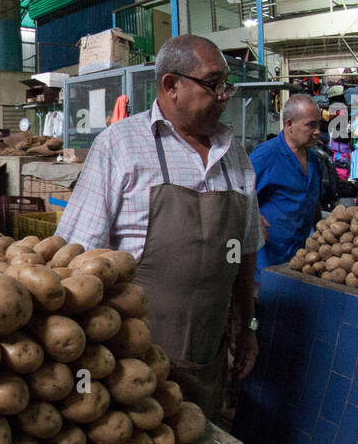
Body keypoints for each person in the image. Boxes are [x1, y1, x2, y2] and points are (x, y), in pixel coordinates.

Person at [56, 34, 262, 421]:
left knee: (199, 441)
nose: (224, 95)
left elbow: (245, 249)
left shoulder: (233, 152)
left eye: (226, 85)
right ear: (172, 86)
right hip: (131, 364)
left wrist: (248, 323)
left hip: (207, 357)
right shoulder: (120, 145)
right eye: (213, 83)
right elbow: (76, 260)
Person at [250, 95, 324, 281]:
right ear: (289, 124)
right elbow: (239, 200)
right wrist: (252, 216)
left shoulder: (315, 160)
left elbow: (314, 202)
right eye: (311, 125)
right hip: (266, 264)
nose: (317, 132)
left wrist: (322, 234)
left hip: (299, 262)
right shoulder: (265, 156)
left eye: (319, 125)